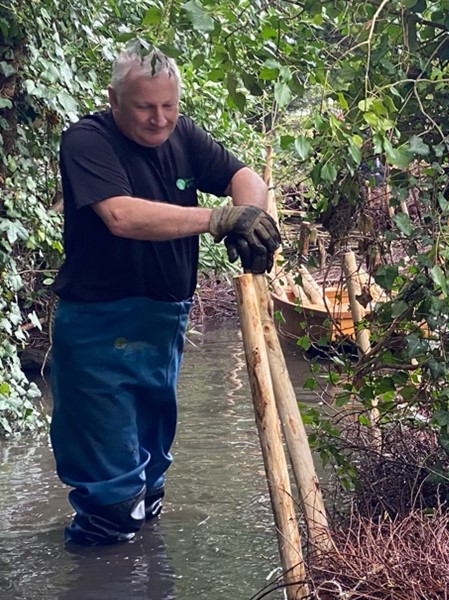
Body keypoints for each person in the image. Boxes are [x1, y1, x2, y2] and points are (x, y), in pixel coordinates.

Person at [51, 42, 281, 546]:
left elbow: (245, 176)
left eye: (169, 106)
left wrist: (251, 217)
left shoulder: (184, 135)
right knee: (113, 504)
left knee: (150, 489)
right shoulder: (87, 140)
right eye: (144, 107)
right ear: (113, 99)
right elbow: (121, 216)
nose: (159, 120)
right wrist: (220, 218)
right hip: (98, 328)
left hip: (163, 322)